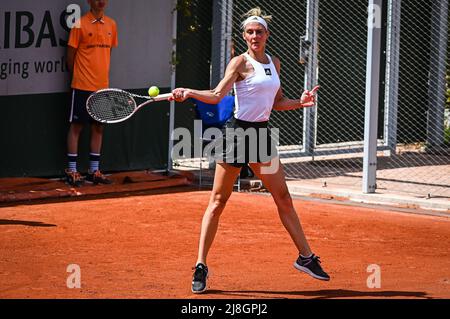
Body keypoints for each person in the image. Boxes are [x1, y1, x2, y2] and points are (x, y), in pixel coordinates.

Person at [171, 7, 330, 294]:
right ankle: (200, 266)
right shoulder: (239, 63)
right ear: (244, 36)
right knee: (218, 201)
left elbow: (276, 101)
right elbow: (218, 95)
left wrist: (300, 102)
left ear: (267, 35)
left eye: (259, 31)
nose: (255, 36)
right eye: (250, 32)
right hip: (237, 134)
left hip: (262, 137)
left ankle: (306, 257)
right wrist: (191, 92)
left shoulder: (274, 63)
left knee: (283, 197)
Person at [64, 0, 118, 186]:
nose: (101, 1)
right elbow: (70, 55)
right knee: (77, 127)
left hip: (102, 87)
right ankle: (72, 171)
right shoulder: (79, 23)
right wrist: (80, 76)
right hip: (81, 85)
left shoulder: (112, 24)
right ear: (89, 1)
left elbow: (108, 54)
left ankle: (93, 171)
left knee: (98, 128)